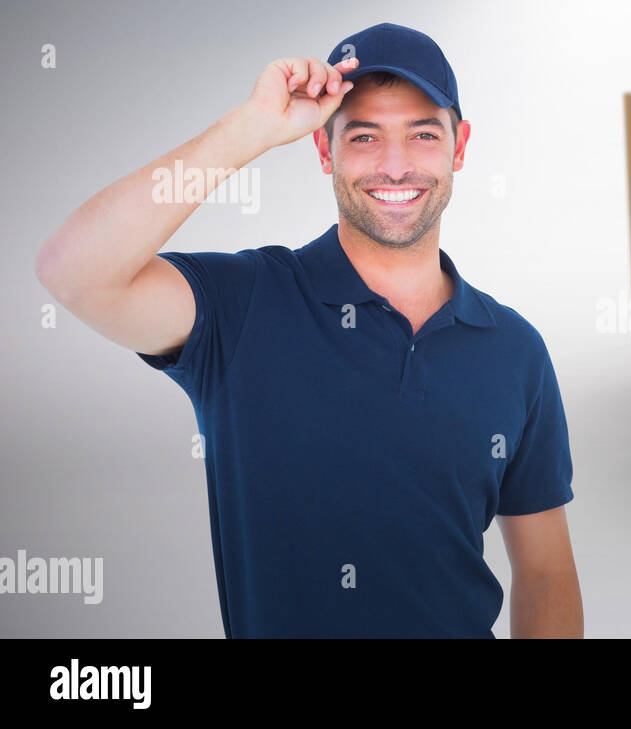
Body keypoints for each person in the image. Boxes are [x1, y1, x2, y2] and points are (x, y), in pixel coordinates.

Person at [34, 23, 581, 638]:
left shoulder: (513, 349)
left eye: (423, 134)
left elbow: (545, 573)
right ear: (325, 152)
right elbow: (72, 271)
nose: (395, 165)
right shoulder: (244, 307)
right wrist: (251, 128)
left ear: (459, 147)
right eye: (364, 135)